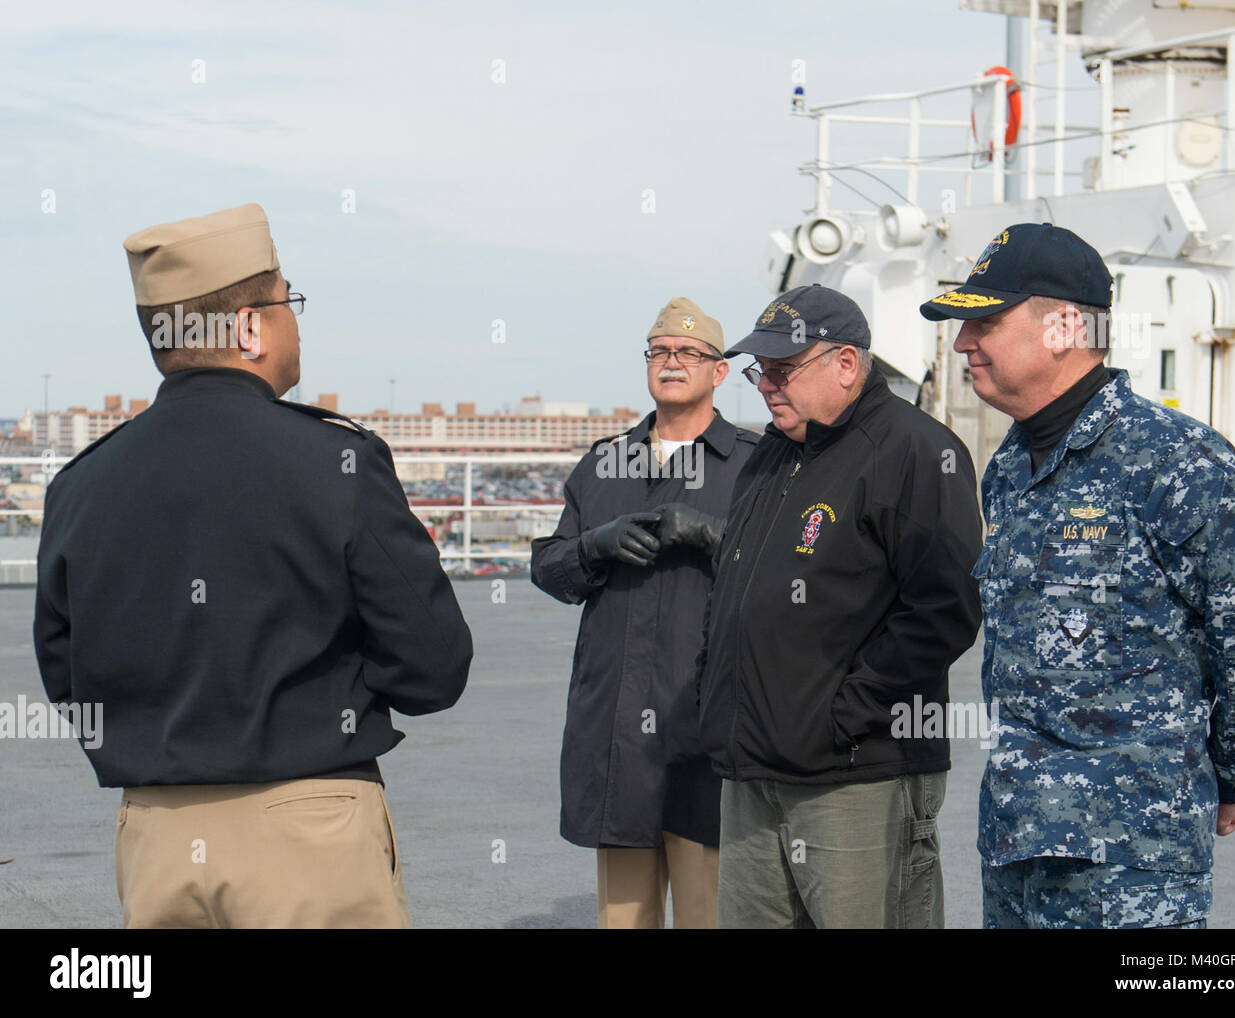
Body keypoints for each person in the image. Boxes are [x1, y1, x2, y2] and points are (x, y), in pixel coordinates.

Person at [33, 203, 473, 928]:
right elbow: (433, 667)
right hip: (312, 832)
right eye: (288, 301)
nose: (297, 322)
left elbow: (64, 671)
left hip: (156, 841)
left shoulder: (81, 483)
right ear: (248, 326)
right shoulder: (336, 461)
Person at [920, 221, 1235, 929]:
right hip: (1017, 848)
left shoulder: (1174, 459)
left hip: (1129, 865)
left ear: (1064, 327)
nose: (963, 343)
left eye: (986, 324)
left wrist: (1228, 771)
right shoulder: (1009, 466)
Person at [696, 283, 983, 928]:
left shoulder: (915, 450)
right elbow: (735, 585)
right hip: (752, 767)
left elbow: (946, 607)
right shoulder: (771, 452)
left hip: (857, 774)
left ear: (846, 364)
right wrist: (715, 699)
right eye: (758, 370)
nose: (765, 385)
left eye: (781, 370)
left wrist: (844, 713)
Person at [531, 297, 757, 928]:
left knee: (709, 910)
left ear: (720, 372)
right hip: (619, 728)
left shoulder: (754, 464)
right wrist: (591, 546)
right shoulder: (603, 464)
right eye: (659, 352)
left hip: (706, 725)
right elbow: (549, 570)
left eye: (690, 353)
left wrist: (713, 535)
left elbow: (782, 573)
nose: (671, 362)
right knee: (623, 917)